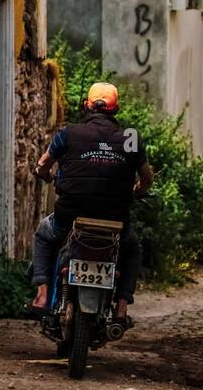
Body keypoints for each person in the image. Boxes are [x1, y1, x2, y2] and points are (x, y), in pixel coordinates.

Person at [30, 82, 153, 320]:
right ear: (116, 109)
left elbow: (44, 164)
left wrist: (44, 175)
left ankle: (42, 294)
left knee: (44, 234)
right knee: (132, 248)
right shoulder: (130, 137)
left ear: (87, 105)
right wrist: (138, 190)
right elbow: (146, 178)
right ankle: (122, 305)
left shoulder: (69, 133)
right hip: (115, 220)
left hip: (71, 217)